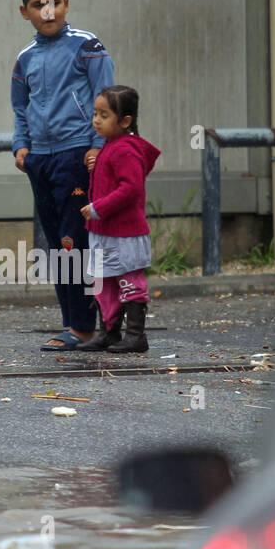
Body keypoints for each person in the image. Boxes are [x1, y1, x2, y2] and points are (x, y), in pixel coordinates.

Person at [11, 0, 115, 350]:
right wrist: (21, 146)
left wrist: (97, 145)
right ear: (25, 11)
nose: (48, 10)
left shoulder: (87, 46)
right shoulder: (25, 58)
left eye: (54, 2)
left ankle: (86, 326)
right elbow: (20, 108)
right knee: (56, 244)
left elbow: (107, 98)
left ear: (66, 4)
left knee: (77, 242)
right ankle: (73, 323)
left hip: (77, 156)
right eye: (39, 4)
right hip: (40, 159)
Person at [77, 86, 160, 353]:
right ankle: (109, 333)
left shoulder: (126, 149)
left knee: (129, 282)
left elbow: (131, 188)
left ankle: (136, 336)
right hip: (103, 231)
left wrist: (98, 207)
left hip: (124, 232)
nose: (96, 120)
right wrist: (96, 162)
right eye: (95, 113)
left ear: (125, 121)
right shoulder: (110, 147)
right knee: (105, 282)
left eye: (104, 115)